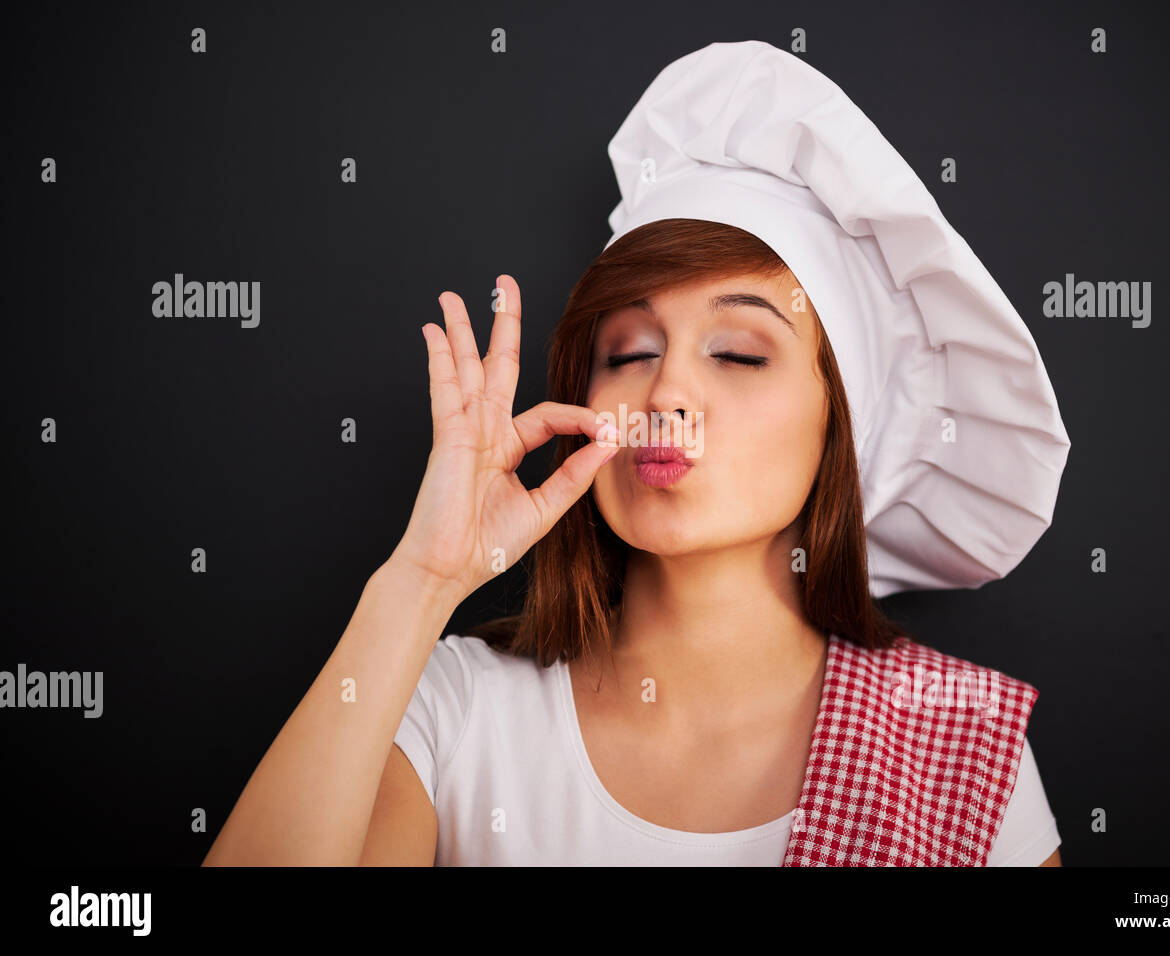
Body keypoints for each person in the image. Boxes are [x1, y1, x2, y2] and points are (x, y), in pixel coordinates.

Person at [203, 40, 1069, 867]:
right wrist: (422, 582)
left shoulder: (953, 748)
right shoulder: (456, 708)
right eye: (628, 352)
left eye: (738, 353)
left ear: (839, 427)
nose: (664, 397)